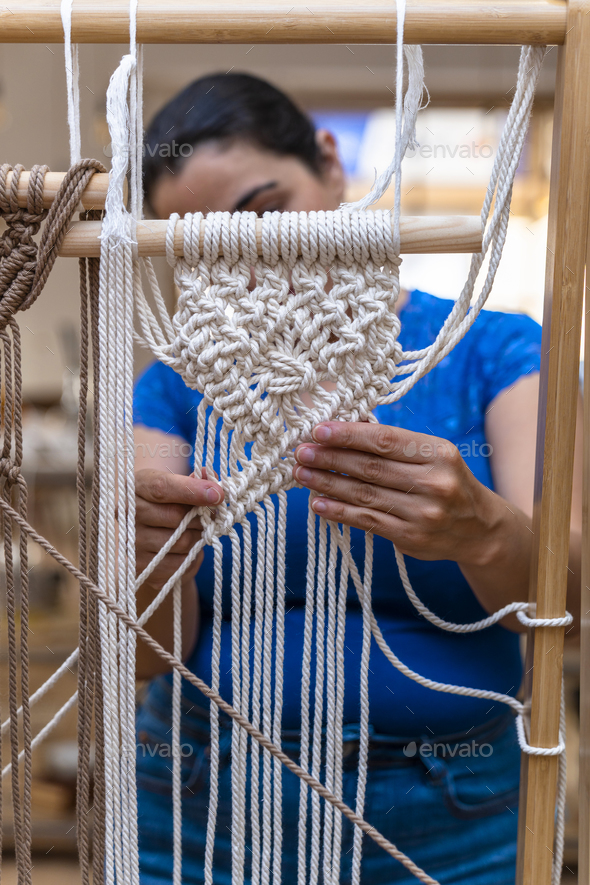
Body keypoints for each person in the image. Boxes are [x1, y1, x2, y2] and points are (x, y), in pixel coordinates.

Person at [132, 72, 583, 885]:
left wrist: (482, 529)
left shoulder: (495, 351)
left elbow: (572, 603)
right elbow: (145, 653)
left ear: (332, 162)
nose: (246, 254)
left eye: (262, 212)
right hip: (204, 807)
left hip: (452, 818)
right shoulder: (176, 382)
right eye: (201, 242)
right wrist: (143, 559)